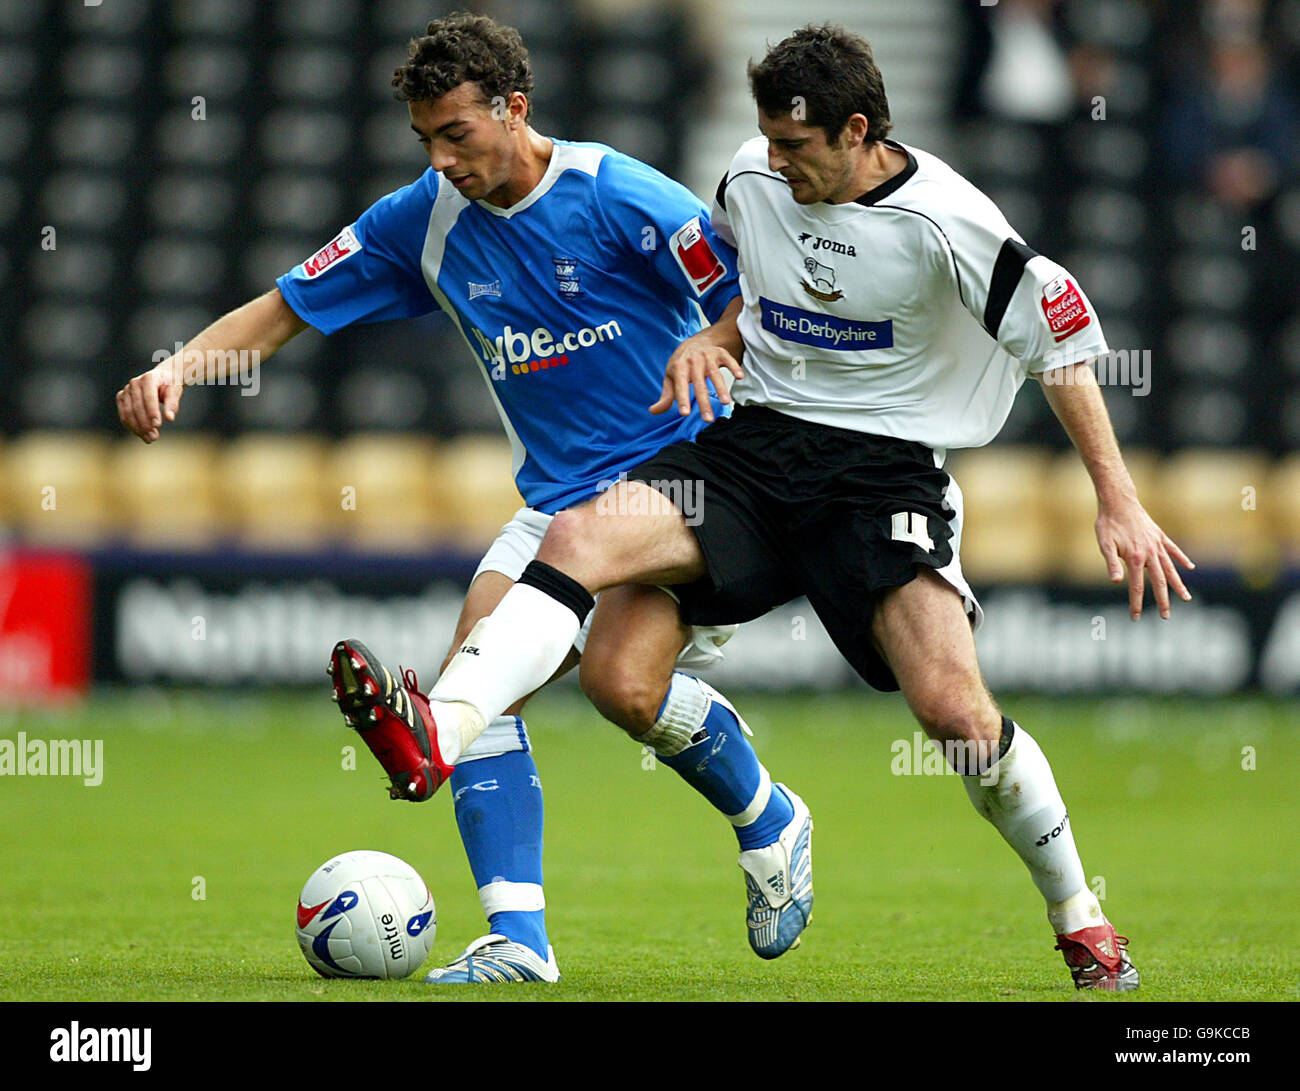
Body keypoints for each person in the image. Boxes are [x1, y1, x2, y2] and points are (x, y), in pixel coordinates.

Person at [398, 23, 1198, 992]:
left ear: (856, 130)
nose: (772, 162)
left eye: (794, 146)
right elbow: (750, 284)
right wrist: (720, 340)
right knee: (578, 539)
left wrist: (1116, 499)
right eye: (766, 140)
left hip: (882, 477)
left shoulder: (950, 222)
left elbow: (1060, 339)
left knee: (952, 711)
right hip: (756, 447)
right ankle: (443, 726)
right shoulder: (752, 175)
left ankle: (1079, 915)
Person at [115, 12, 813, 985]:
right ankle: (571, 913)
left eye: (458, 134)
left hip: (688, 475)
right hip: (562, 497)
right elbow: (283, 309)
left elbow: (753, 297)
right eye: (425, 140)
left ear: (512, 108)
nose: (442, 159)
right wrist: (183, 365)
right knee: (610, 687)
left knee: (487, 676)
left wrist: (718, 345)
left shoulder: (619, 196)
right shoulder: (422, 221)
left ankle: (515, 864)